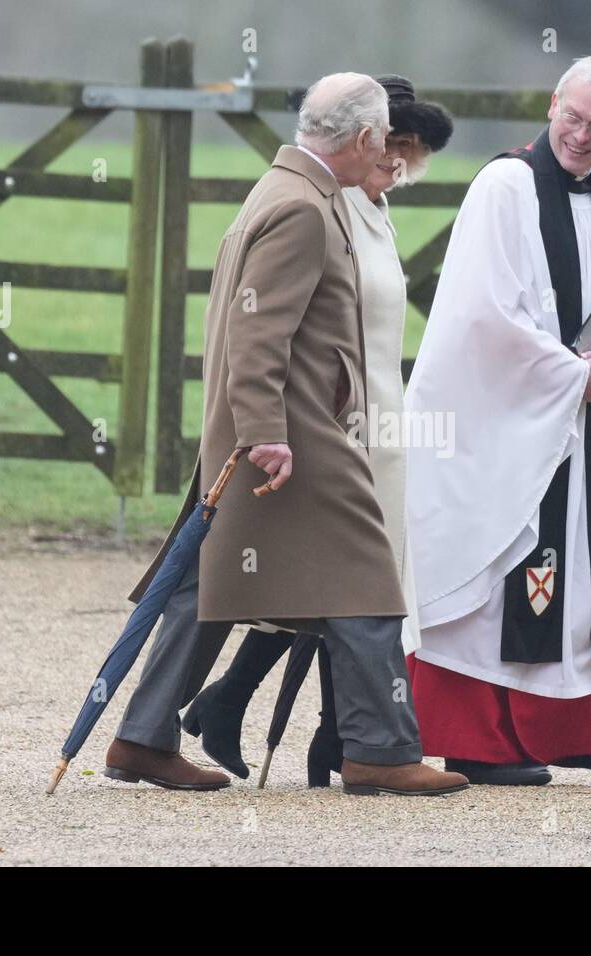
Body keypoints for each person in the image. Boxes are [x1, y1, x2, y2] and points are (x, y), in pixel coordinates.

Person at [104, 72, 468, 797]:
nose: (390, 160)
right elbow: (257, 332)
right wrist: (268, 431)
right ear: (365, 138)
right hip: (299, 432)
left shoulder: (286, 188)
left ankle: (141, 738)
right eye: (383, 145)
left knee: (208, 587)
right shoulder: (304, 207)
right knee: (367, 578)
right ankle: (379, 751)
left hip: (282, 427)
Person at [402, 54, 591, 786]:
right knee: (495, 565)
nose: (581, 135)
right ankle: (475, 742)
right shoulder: (504, 185)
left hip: (585, 410)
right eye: (572, 117)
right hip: (501, 414)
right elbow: (487, 308)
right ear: (552, 106)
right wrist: (569, 373)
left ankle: (573, 728)